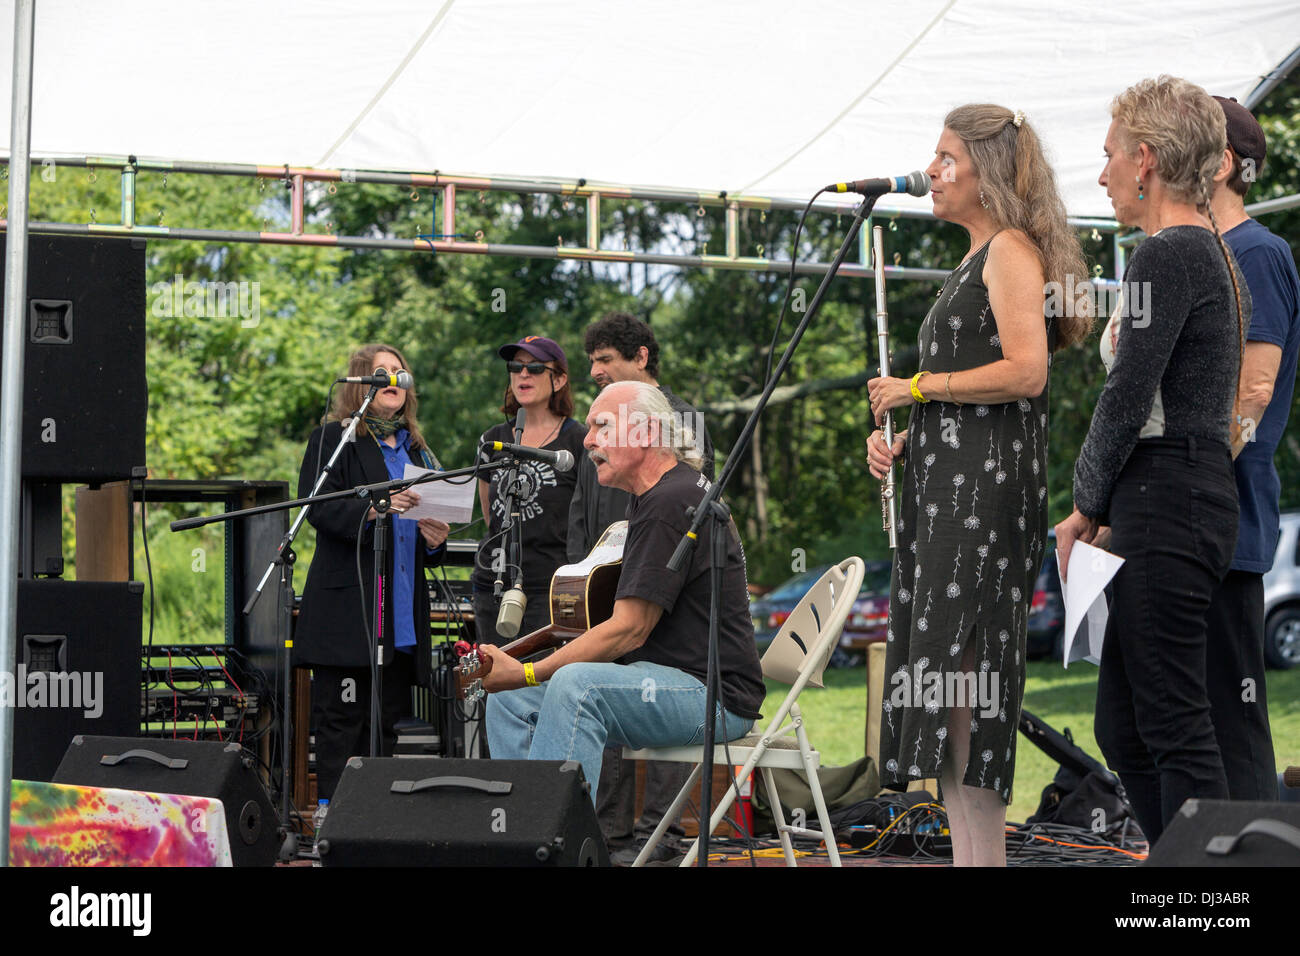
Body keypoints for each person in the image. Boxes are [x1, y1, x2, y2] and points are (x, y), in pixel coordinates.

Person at [866, 104, 1090, 866]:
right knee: (951, 706)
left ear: (988, 170)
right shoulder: (975, 257)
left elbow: (1026, 371)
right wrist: (909, 439)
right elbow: (974, 395)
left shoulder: (1010, 250)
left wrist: (920, 388)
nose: (931, 172)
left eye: (946, 157)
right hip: (949, 497)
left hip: (983, 511)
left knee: (968, 693)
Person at [1056, 76, 1247, 844]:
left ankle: (1206, 898)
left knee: (1171, 720)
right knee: (1126, 725)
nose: (1100, 175)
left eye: (1107, 157)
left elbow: (1127, 396)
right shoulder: (1195, 253)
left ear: (1144, 160)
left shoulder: (1168, 254)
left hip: (1169, 495)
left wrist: (1085, 504)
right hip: (1164, 495)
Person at [481, 381, 765, 804]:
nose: (589, 440)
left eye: (602, 426)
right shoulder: (659, 495)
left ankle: (551, 839)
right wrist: (517, 679)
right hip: (670, 679)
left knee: (578, 685)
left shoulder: (671, 501)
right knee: (508, 701)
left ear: (647, 432)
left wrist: (526, 671)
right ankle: (525, 827)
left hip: (714, 695)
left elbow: (628, 631)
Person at [566, 312, 715, 862]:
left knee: (656, 700)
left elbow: (695, 509)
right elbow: (581, 511)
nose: (596, 371)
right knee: (598, 695)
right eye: (592, 362)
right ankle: (603, 834)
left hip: (663, 590)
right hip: (602, 590)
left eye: (606, 359)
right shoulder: (597, 427)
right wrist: (579, 578)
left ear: (641, 357)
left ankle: (663, 837)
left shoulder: (682, 420)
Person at [295, 344, 450, 801]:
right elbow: (317, 509)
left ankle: (373, 820)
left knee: (385, 721)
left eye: (400, 373)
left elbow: (421, 535)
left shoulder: (419, 451)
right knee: (342, 719)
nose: (394, 381)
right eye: (382, 373)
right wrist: (375, 508)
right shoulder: (334, 439)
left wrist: (434, 539)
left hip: (400, 612)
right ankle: (332, 817)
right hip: (349, 608)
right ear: (362, 383)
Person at [1204, 95, 1299, 801]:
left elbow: (1253, 392)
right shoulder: (1193, 250)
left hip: (1223, 522)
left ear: (1224, 164)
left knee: (1233, 720)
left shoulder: (1258, 254)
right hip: (1190, 520)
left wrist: (1186, 482)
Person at [473, 336, 586, 642]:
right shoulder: (492, 440)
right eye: (516, 367)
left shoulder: (578, 440)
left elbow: (585, 518)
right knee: (496, 683)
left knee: (541, 682)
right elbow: (491, 516)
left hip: (550, 587)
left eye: (535, 367)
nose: (523, 374)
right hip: (493, 583)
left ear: (559, 379)